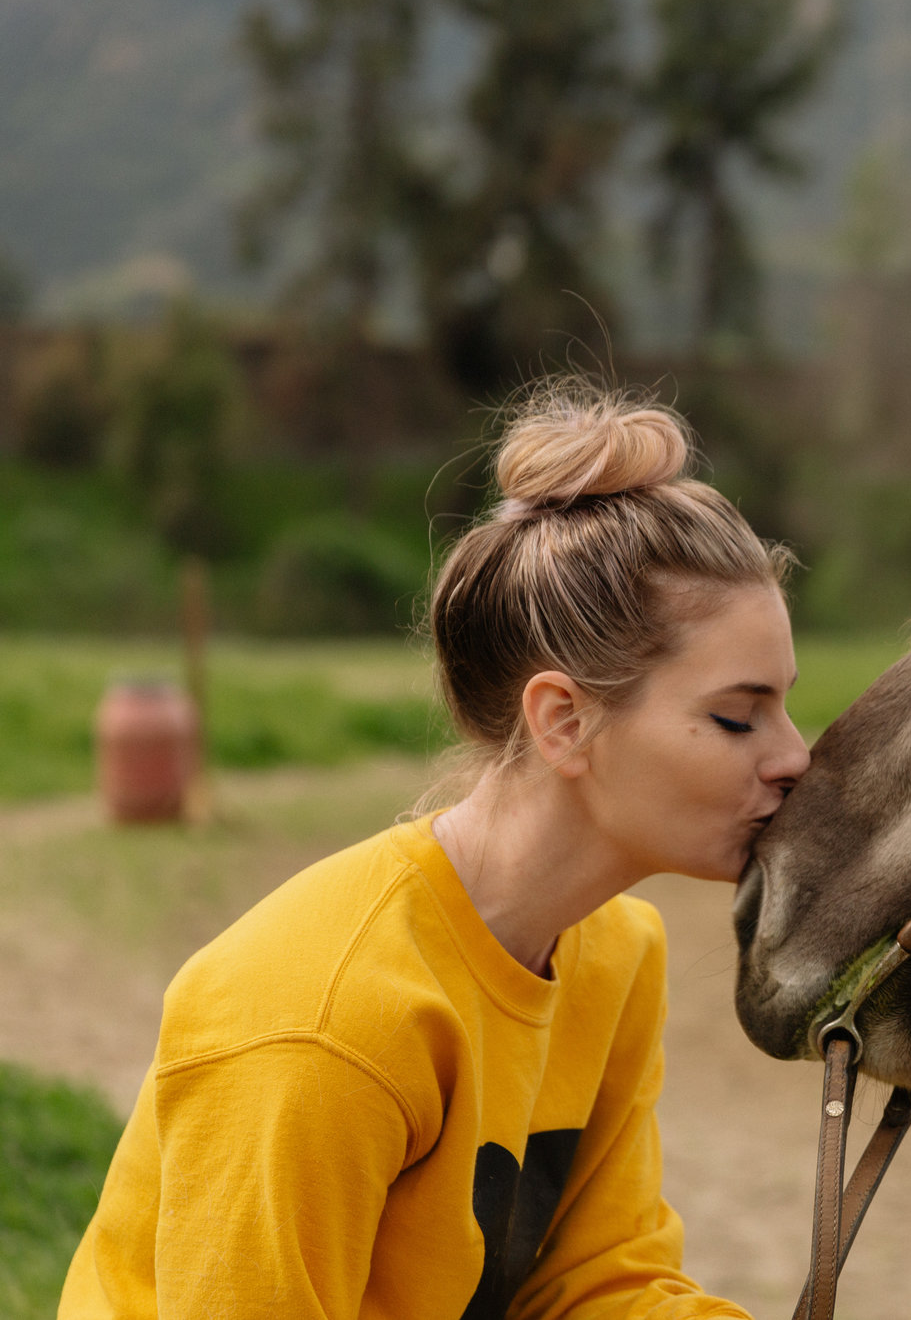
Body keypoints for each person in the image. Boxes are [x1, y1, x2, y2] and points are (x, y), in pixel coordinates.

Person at [60, 382, 809, 1319]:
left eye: (782, 705)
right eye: (737, 717)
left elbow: (597, 1284)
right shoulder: (323, 1022)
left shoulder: (616, 958)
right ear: (564, 721)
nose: (794, 757)